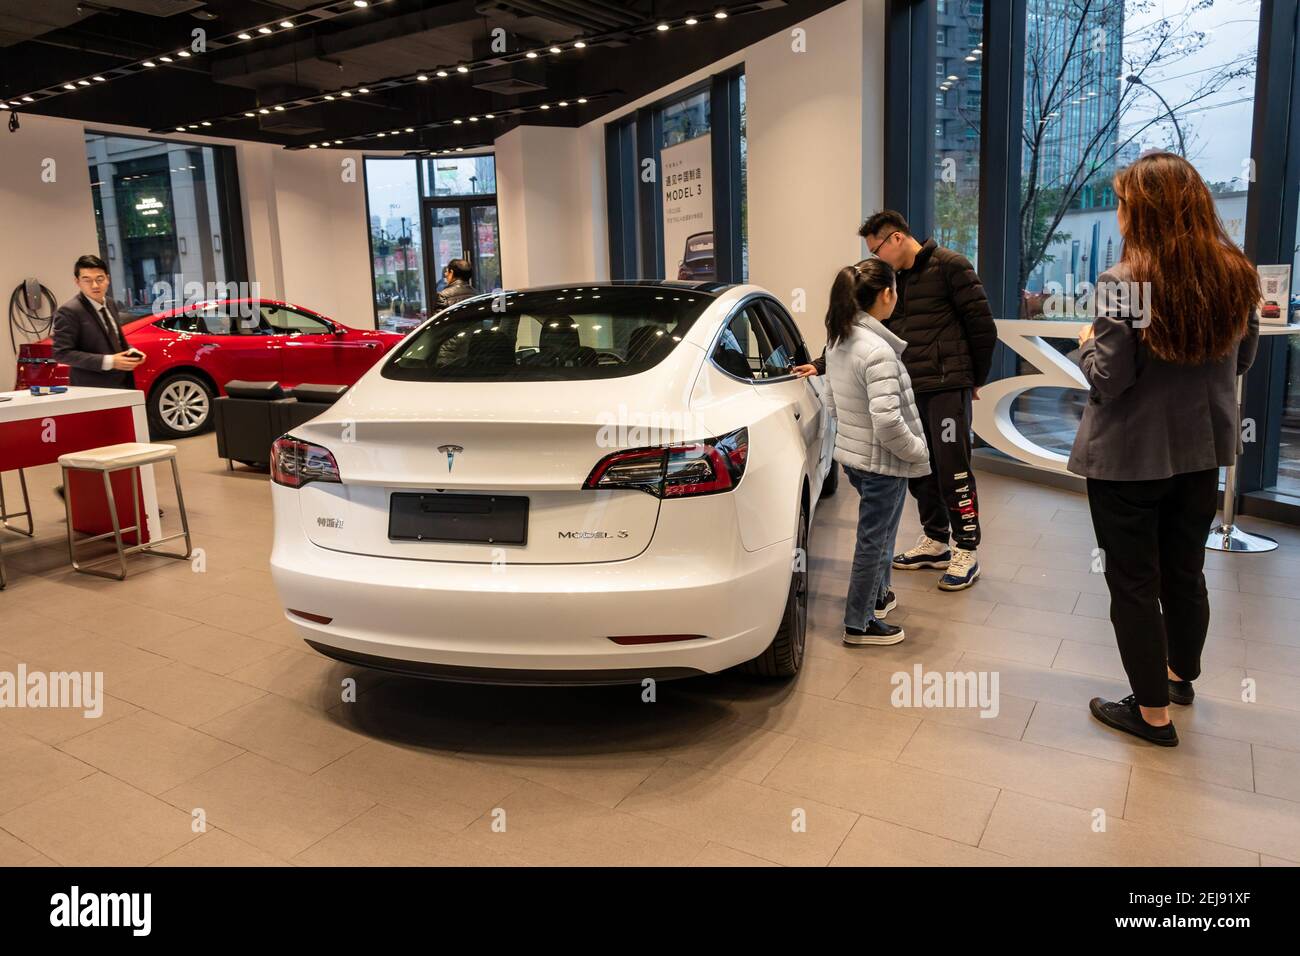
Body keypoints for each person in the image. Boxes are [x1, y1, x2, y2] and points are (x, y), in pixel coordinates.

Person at [1071, 152, 1259, 747]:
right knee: (1184, 570)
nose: (1120, 214)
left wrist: (1084, 343)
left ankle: (1151, 715)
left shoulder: (1126, 283)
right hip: (1200, 453)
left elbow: (1110, 379)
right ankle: (1179, 678)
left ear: (1145, 210)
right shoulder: (1235, 273)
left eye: (1125, 202)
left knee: (1131, 581)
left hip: (1129, 458)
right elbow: (1243, 362)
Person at [795, 211, 997, 591]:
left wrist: (973, 379)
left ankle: (966, 547)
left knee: (953, 468)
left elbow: (982, 325)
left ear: (898, 238)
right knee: (917, 468)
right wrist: (822, 363)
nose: (876, 257)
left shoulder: (950, 265)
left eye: (878, 248)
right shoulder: (889, 282)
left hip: (945, 385)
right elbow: (859, 325)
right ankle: (935, 540)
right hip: (907, 385)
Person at [822, 259, 931, 646]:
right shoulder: (878, 351)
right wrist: (917, 449)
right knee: (876, 539)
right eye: (895, 290)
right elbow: (887, 422)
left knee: (880, 533)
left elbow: (833, 404)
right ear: (886, 295)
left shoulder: (837, 341)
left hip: (856, 458)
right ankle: (859, 623)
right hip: (883, 461)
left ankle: (878, 596)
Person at [52, 254, 144, 388]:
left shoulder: (111, 303)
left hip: (122, 383)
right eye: (87, 280)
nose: (95, 285)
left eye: (99, 279)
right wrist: (109, 361)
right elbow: (61, 353)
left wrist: (131, 350)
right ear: (77, 282)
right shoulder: (69, 311)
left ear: (108, 279)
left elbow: (114, 340)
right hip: (93, 387)